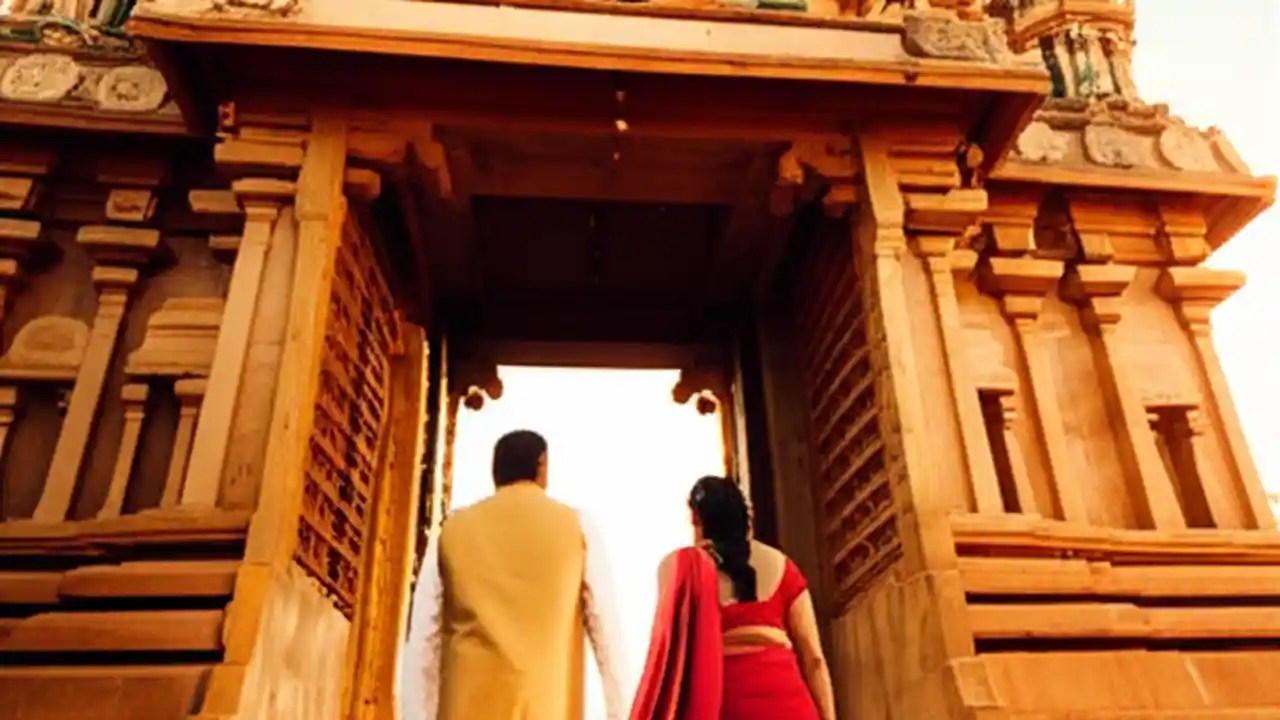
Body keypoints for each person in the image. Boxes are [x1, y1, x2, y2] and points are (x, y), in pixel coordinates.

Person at [400, 430, 625, 720]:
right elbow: (606, 631)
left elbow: (422, 641)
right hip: (546, 708)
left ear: (496, 473)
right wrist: (621, 712)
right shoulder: (576, 528)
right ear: (542, 466)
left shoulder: (453, 530)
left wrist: (417, 716)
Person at [631, 476, 837, 720]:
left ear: (696, 519)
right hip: (790, 706)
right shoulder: (783, 567)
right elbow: (814, 659)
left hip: (725, 707)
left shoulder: (682, 570)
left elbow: (666, 660)